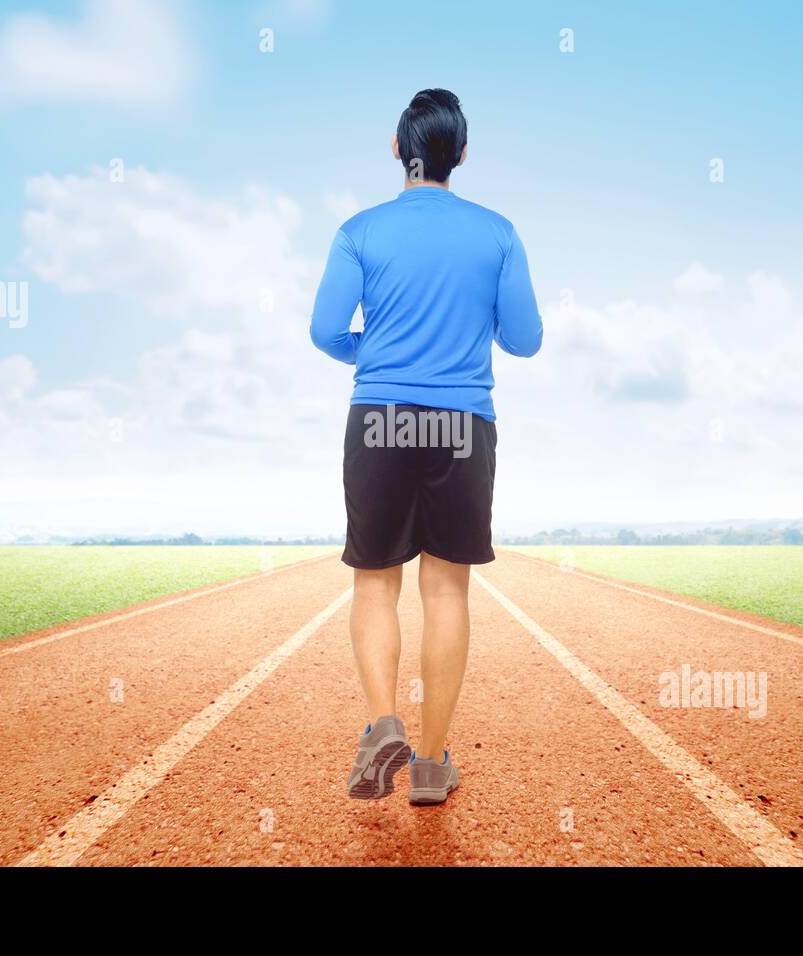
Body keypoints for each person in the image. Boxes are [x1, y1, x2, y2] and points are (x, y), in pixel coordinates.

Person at [310, 88, 543, 806]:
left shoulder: (360, 231)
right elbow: (525, 339)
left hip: (378, 417)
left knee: (376, 580)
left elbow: (325, 331)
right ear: (461, 155)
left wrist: (377, 354)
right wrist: (470, 330)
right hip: (462, 425)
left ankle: (384, 723)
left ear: (397, 150)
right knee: (445, 590)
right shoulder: (498, 233)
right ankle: (433, 767)